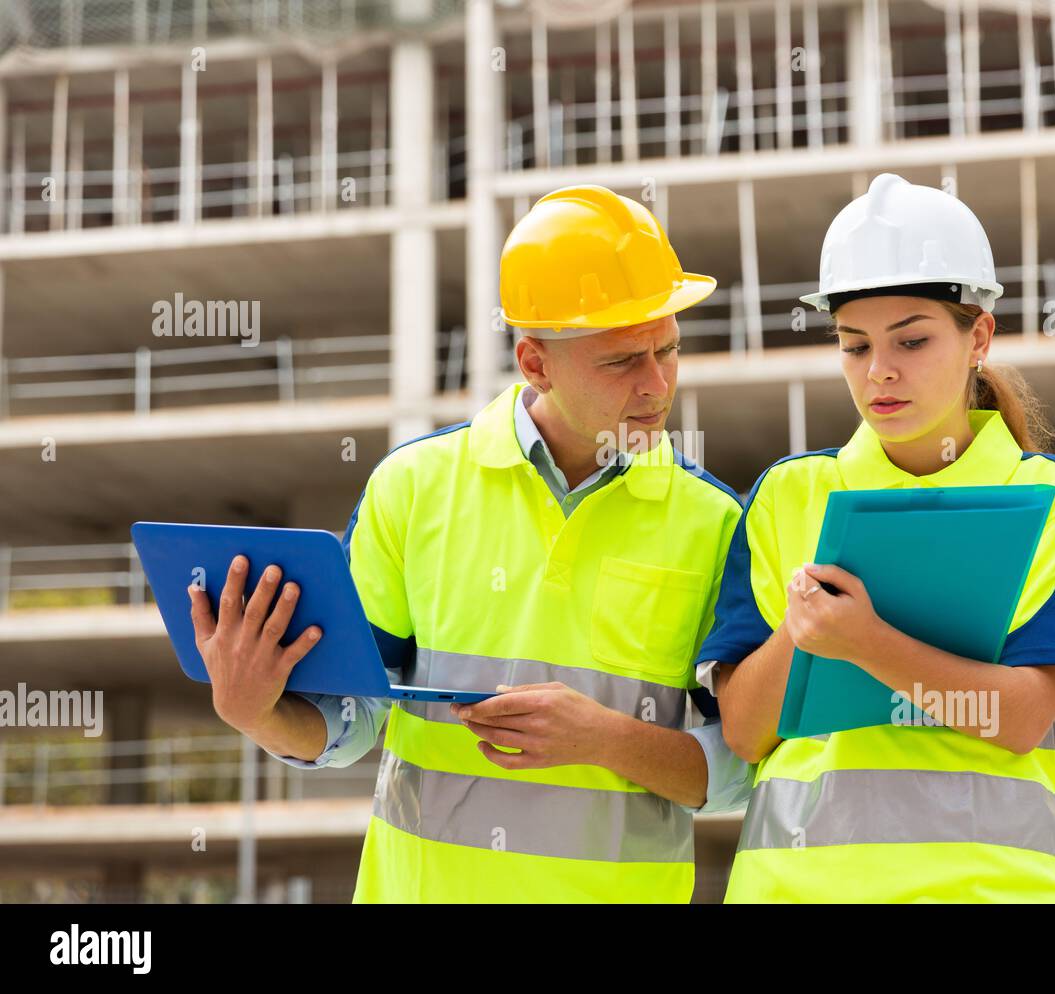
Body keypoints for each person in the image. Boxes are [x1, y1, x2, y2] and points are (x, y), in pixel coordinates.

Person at [193, 185, 751, 902]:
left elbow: (737, 772)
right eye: (621, 362)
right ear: (535, 362)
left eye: (667, 350)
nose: (656, 386)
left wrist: (605, 740)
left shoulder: (715, 522)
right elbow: (353, 718)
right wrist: (256, 712)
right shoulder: (414, 487)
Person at [699, 173, 1055, 903]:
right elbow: (743, 733)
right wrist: (802, 632)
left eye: (912, 340)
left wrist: (864, 640)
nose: (880, 372)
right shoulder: (786, 496)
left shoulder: (1054, 496)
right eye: (853, 346)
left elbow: (1018, 718)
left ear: (978, 336)